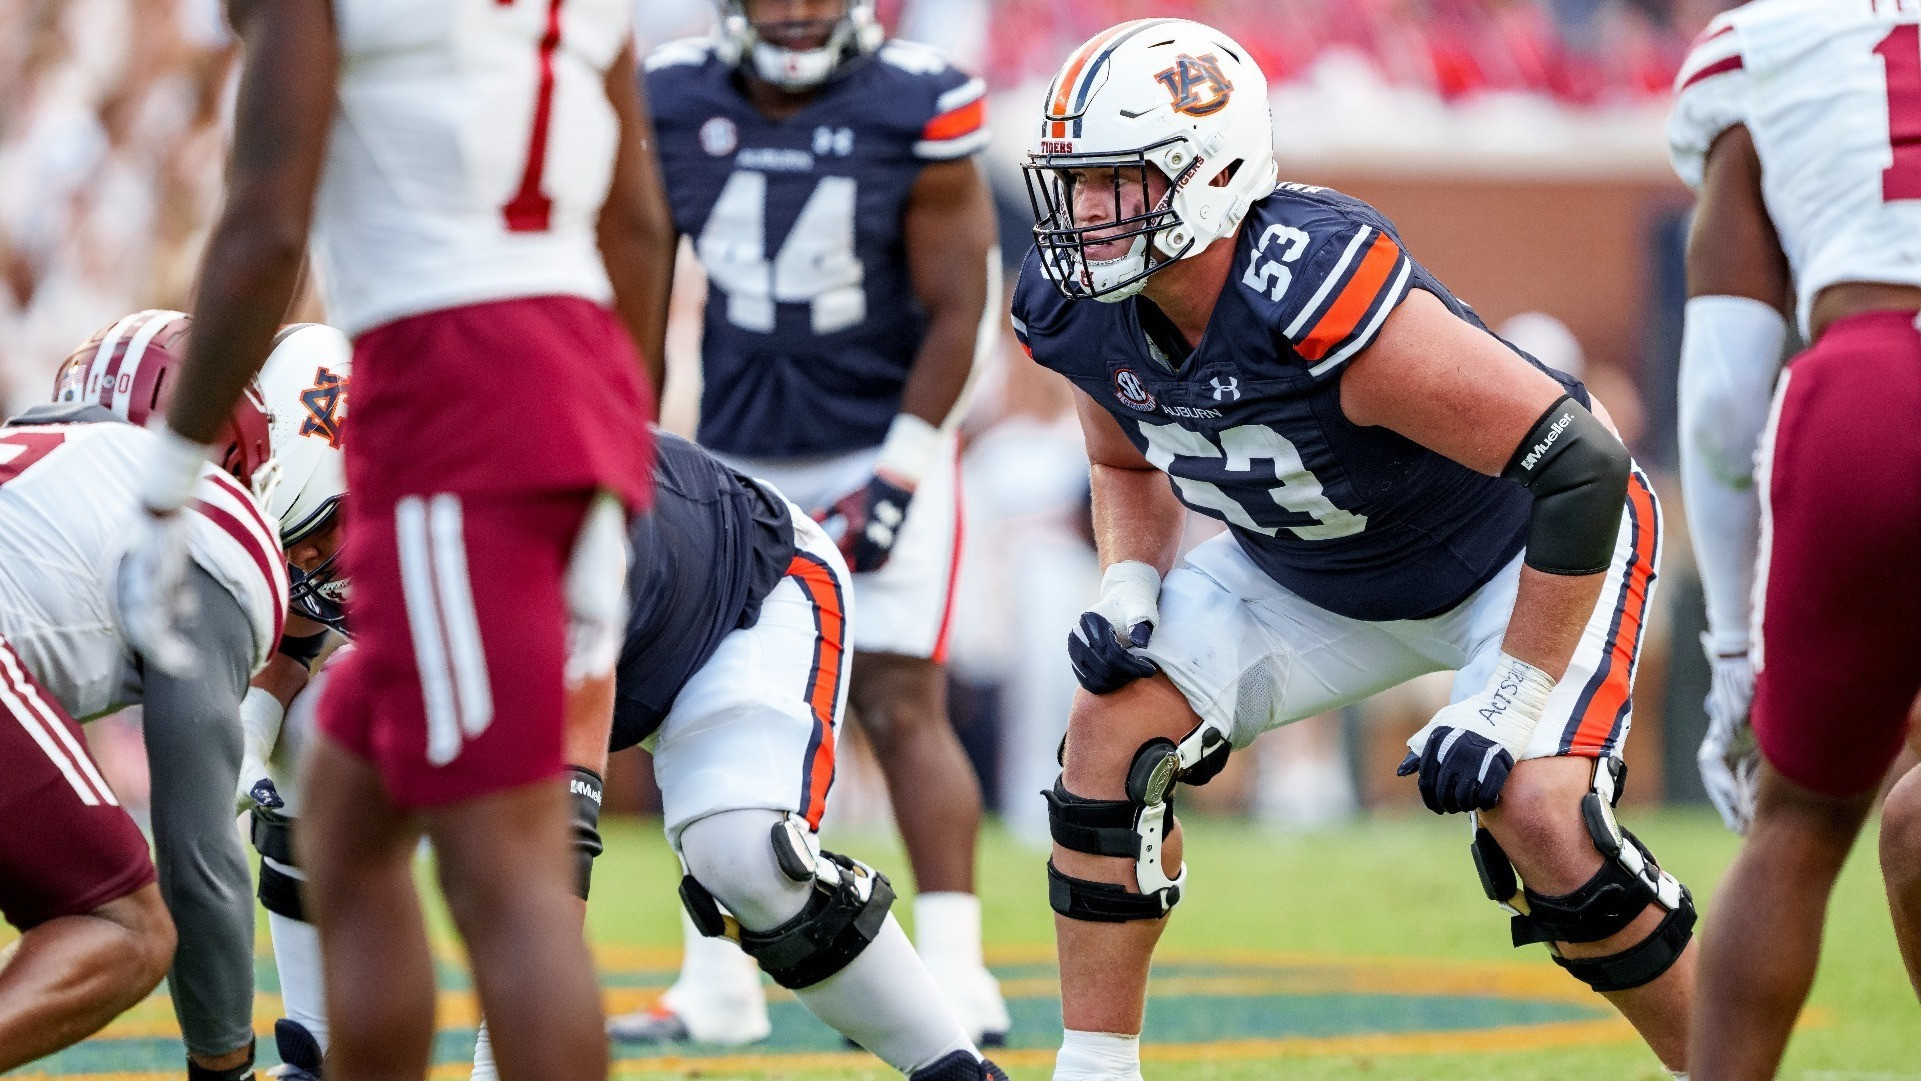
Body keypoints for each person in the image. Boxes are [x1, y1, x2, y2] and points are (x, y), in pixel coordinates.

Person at [1011, 18, 1697, 1081]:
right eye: (1077, 184)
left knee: (1538, 817)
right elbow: (1127, 462)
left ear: (1213, 172)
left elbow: (1581, 466)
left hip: (1517, 555)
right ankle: (1094, 1068)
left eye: (1118, 182)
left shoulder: (1310, 291)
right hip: (1306, 572)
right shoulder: (1077, 305)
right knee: (1108, 735)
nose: (1088, 216)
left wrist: (1509, 697)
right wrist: (1128, 581)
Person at [113, 0, 676, 1078]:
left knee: (498, 863)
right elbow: (637, 225)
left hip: (452, 397)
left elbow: (265, 227)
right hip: (568, 381)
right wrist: (621, 446)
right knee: (344, 824)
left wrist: (170, 475)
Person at [235, 324, 1010, 1081]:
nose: (306, 562)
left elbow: (554, 838)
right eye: (290, 541)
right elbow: (298, 639)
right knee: (310, 735)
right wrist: (249, 735)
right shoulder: (397, 497)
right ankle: (318, 1053)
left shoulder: (522, 517)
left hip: (744, 600)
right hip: (607, 627)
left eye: (320, 530)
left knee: (743, 855)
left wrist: (500, 1057)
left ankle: (954, 1067)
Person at [627, 0, 1008, 1047]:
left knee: (898, 700)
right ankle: (716, 981)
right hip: (738, 454)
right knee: (692, 707)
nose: (795, 12)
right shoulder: (671, 93)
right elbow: (643, 292)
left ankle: (960, 974)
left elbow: (960, 302)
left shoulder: (917, 100)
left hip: (885, 432)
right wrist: (629, 442)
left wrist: (899, 472)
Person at [1668, 2, 1921, 1076]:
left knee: (1800, 827)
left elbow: (1726, 394)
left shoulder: (1757, 45)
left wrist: (1731, 644)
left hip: (1873, 386)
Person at [1, 310, 286, 1078]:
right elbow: (198, 852)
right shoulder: (211, 511)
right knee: (127, 928)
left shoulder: (43, 462)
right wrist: (225, 1066)